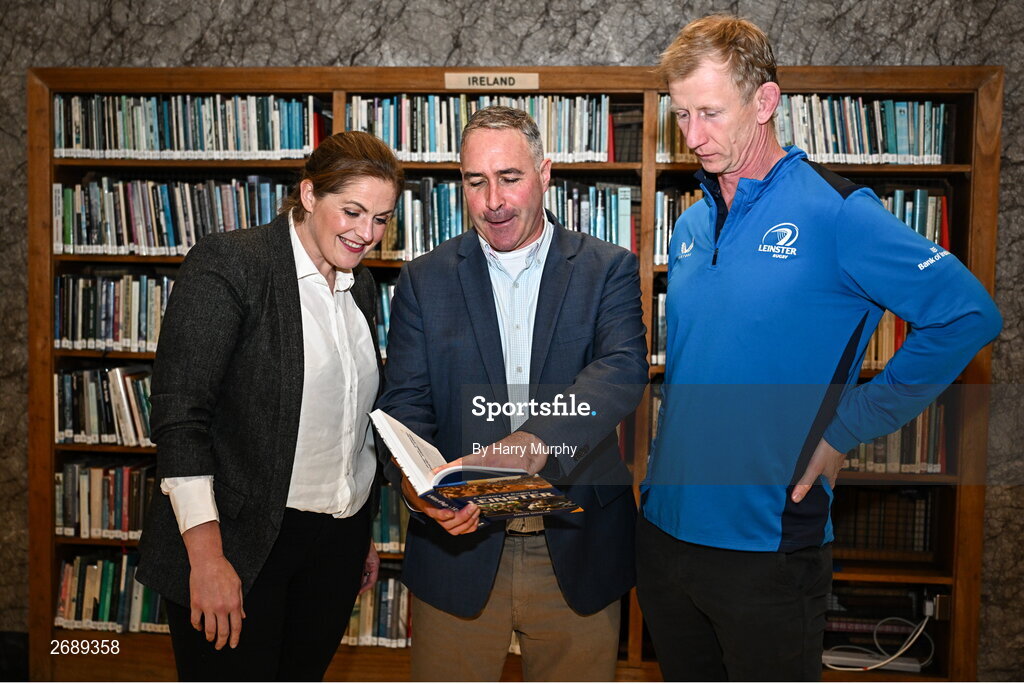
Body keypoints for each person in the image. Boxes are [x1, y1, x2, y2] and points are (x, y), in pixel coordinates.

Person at [638, 14, 1003, 682]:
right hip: (664, 540)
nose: (693, 136)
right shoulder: (690, 225)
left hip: (767, 550)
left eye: (711, 113)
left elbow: (968, 315)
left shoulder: (837, 213)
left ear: (765, 101)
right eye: (681, 114)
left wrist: (847, 428)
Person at [376, 106, 647, 681]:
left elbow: (622, 371)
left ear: (545, 174)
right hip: (459, 548)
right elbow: (405, 406)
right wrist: (416, 487)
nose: (493, 200)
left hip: (575, 547)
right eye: (476, 182)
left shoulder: (607, 270)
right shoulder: (424, 281)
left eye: (509, 178)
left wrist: (528, 445)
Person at [136, 131, 402, 681]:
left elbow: (350, 421)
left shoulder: (364, 286)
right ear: (308, 195)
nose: (366, 234)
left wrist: (357, 528)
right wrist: (207, 561)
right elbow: (180, 418)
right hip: (239, 542)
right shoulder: (232, 265)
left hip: (334, 544)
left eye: (381, 219)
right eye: (352, 212)